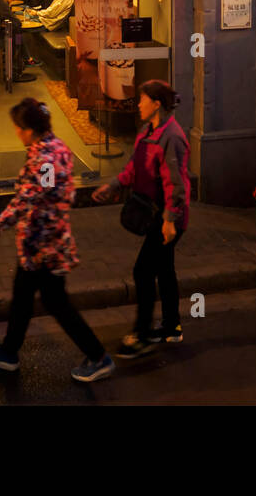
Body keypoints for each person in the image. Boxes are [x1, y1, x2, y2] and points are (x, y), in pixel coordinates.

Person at [0, 98, 115, 383]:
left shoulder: (44, 159)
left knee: (56, 303)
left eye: (18, 128)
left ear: (30, 129)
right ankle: (8, 352)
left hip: (46, 247)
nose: (16, 133)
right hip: (37, 245)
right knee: (22, 297)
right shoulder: (58, 146)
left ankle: (98, 357)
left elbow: (26, 199)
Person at [92, 80, 190, 357]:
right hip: (154, 213)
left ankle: (143, 335)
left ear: (156, 104)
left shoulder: (172, 137)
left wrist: (170, 220)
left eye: (142, 99)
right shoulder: (148, 131)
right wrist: (113, 186)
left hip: (166, 216)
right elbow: (134, 167)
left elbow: (176, 183)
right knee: (164, 270)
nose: (138, 104)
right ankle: (172, 327)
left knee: (143, 271)